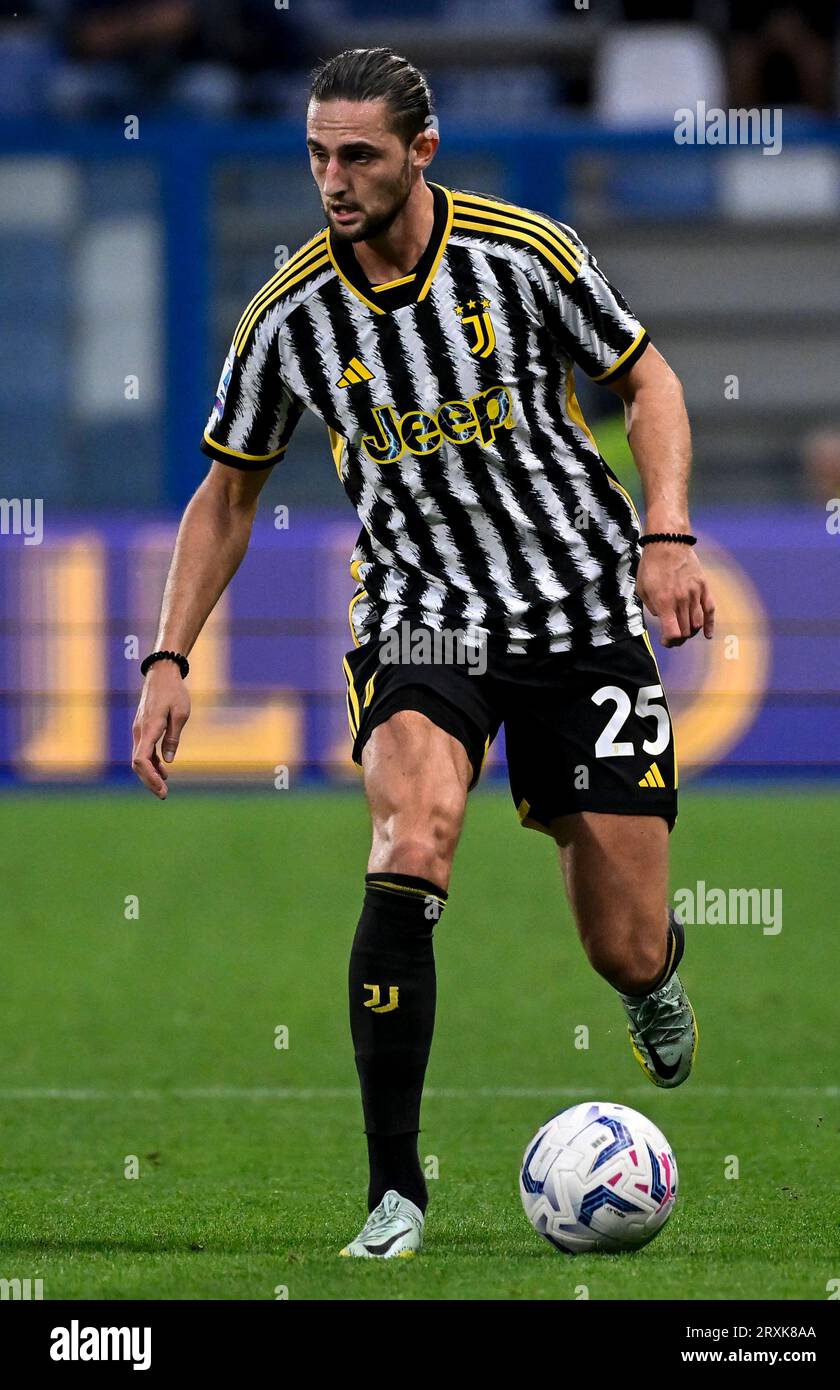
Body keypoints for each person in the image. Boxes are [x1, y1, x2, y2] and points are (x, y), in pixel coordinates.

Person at [132, 47, 715, 1260]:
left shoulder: (522, 254)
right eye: (315, 155)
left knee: (617, 934)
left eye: (357, 156)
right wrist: (167, 657)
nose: (331, 181)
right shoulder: (287, 315)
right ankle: (394, 1189)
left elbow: (648, 379)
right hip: (421, 609)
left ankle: (651, 980)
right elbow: (226, 497)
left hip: (578, 608)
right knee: (412, 836)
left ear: (420, 152)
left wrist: (665, 532)